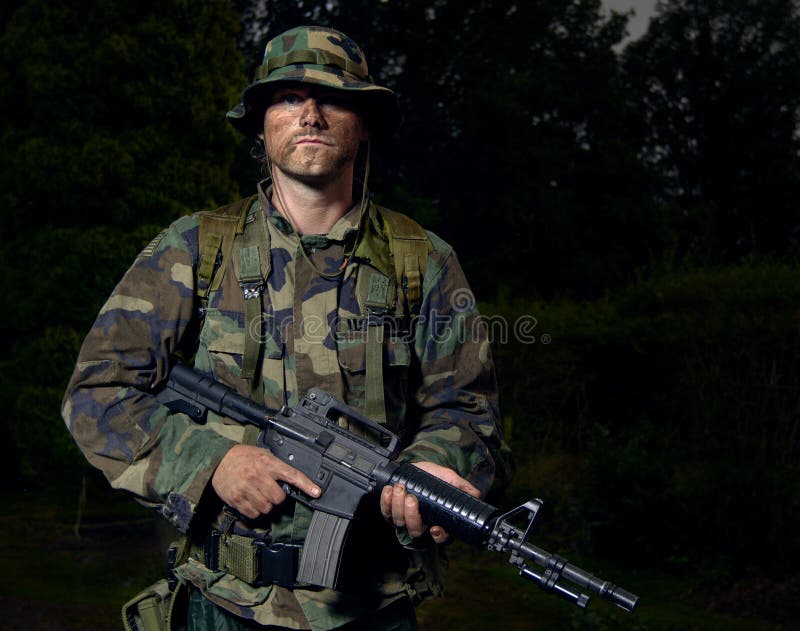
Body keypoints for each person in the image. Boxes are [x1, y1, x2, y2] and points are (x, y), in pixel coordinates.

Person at [62, 25, 511, 631]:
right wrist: (211, 462)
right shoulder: (196, 249)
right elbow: (97, 392)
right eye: (288, 97)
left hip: (372, 607)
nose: (311, 114)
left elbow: (468, 413)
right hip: (224, 601)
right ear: (260, 124)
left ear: (365, 121)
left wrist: (432, 464)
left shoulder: (421, 261)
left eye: (334, 98)